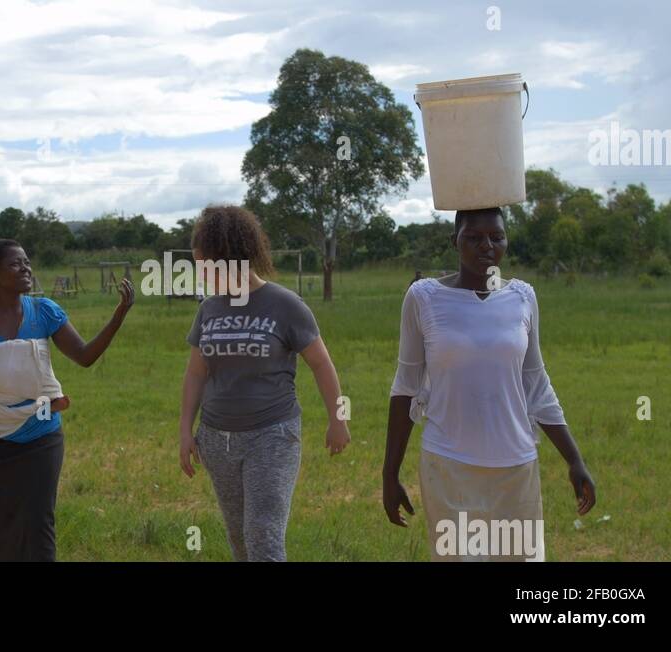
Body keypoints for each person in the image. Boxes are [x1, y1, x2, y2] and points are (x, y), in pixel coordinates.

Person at [382, 207, 596, 561]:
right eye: (474, 237)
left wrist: (574, 459)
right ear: (455, 241)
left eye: (496, 237)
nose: (487, 246)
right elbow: (405, 385)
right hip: (448, 467)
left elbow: (536, 383)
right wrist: (390, 473)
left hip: (516, 467)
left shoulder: (522, 298)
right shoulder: (424, 298)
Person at [0, 239, 134, 561]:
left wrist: (118, 315)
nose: (26, 268)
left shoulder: (44, 311)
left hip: (41, 430)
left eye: (27, 262)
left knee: (38, 521)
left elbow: (84, 356)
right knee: (4, 528)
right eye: (16, 263)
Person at [178, 205, 351, 561]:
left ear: (234, 258)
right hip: (217, 439)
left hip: (272, 436)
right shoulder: (209, 308)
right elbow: (197, 372)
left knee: (263, 537)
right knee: (240, 539)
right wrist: (184, 428)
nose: (203, 275)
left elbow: (321, 364)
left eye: (208, 266)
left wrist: (338, 419)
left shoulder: (284, 304)